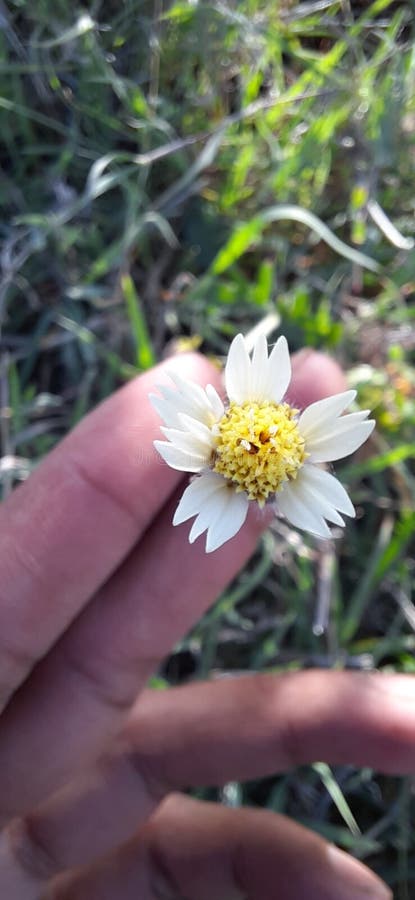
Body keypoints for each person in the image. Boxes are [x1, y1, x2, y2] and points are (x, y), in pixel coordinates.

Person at [0, 345, 410, 900]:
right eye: (255, 441)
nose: (259, 444)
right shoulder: (214, 455)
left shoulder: (289, 477)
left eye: (265, 441)